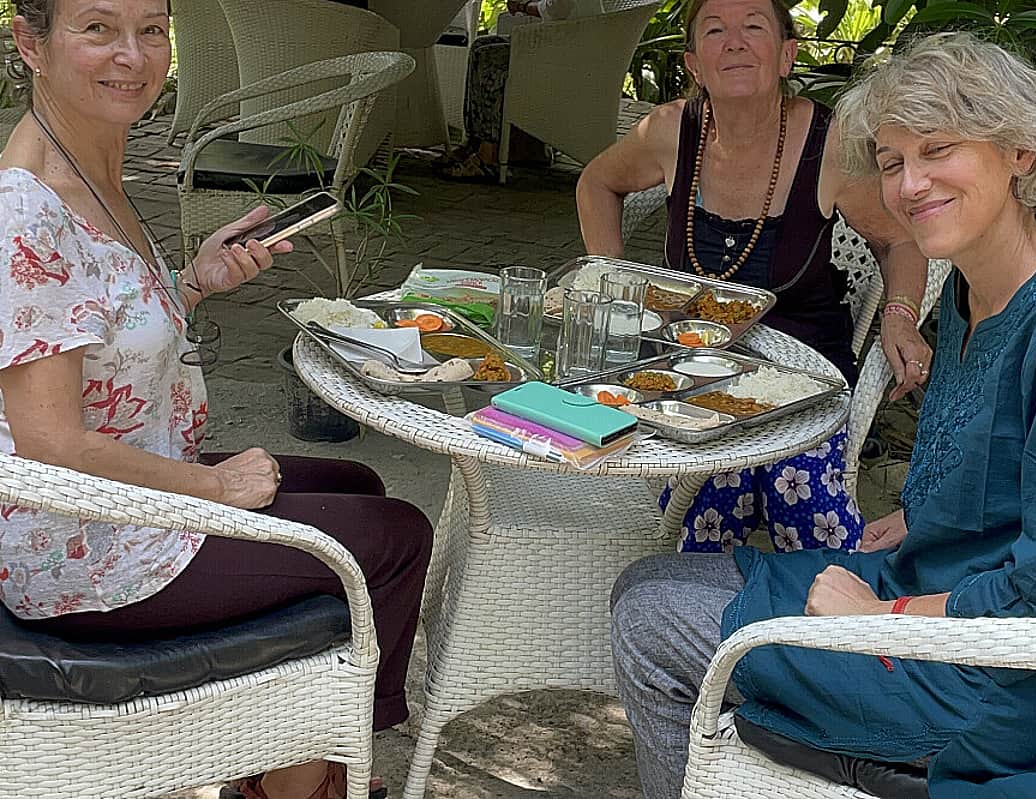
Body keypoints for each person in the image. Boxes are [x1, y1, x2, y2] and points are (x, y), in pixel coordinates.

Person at [609, 31, 1036, 799]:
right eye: (895, 161)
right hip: (935, 600)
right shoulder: (977, 293)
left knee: (651, 618)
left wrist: (882, 611)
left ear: (1021, 155)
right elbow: (1008, 464)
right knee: (646, 582)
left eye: (938, 149)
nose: (909, 184)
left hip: (994, 688)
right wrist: (928, 514)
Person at [0, 3, 432, 798]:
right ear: (32, 43)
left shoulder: (93, 163)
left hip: (127, 499)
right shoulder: (28, 207)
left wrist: (193, 284)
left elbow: (97, 332)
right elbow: (50, 442)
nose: (132, 55)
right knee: (395, 538)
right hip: (83, 552)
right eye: (97, 28)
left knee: (360, 488)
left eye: (152, 29)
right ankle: (310, 781)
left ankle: (292, 761)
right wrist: (214, 487)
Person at [576, 0, 933, 554]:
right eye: (715, 30)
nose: (735, 42)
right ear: (695, 64)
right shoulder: (671, 132)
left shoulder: (828, 142)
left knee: (807, 503)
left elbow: (899, 239)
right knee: (704, 493)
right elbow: (596, 184)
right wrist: (614, 283)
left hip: (803, 378)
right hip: (693, 373)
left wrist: (900, 314)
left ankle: (820, 626)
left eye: (754, 27)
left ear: (787, 54)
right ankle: (693, 622)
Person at [434, 0, 603, 181]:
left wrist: (523, 6)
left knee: (489, 58)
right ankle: (475, 142)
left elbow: (557, 8)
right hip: (567, 41)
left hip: (567, 53)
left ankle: (488, 156)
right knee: (480, 47)